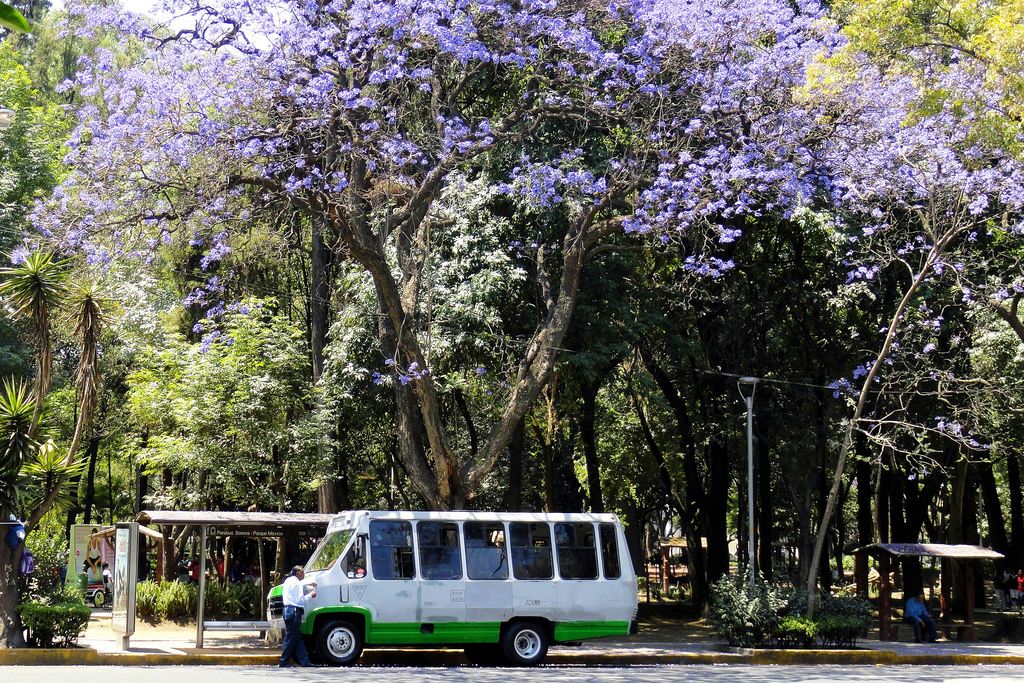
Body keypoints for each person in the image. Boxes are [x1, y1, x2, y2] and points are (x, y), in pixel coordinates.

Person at [280, 565, 317, 667]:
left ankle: (304, 660)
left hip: (287, 610)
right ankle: (283, 661)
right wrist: (310, 595)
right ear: (298, 573)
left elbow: (299, 584)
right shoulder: (297, 584)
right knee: (291, 637)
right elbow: (299, 600)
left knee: (297, 637)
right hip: (294, 611)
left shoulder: (288, 581)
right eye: (302, 572)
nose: (304, 574)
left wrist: (306, 583)